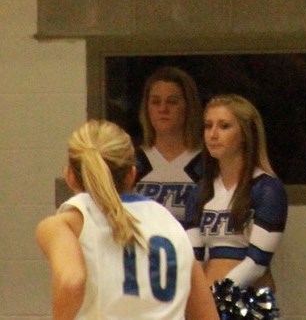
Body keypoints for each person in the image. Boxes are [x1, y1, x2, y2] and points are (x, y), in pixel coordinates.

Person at [35, 119, 217, 320]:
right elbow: (206, 315)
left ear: (70, 175)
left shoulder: (65, 223)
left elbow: (72, 281)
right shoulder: (169, 222)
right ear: (132, 174)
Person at [185, 94, 287, 295]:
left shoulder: (267, 189)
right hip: (207, 301)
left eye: (224, 126)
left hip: (247, 302)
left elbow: (257, 263)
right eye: (208, 126)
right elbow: (193, 260)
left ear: (246, 133)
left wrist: (216, 296)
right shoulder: (200, 192)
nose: (213, 134)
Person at [134, 65, 205, 222]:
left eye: (172, 102)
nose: (163, 109)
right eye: (155, 102)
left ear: (188, 106)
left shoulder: (207, 162)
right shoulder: (131, 161)